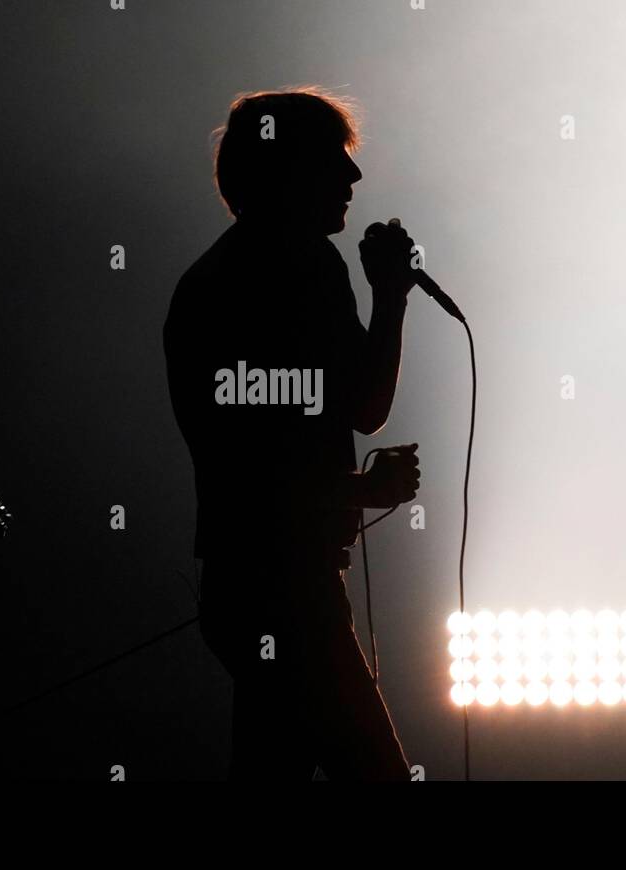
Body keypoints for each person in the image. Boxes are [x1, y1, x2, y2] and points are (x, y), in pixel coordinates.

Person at [164, 88, 421, 780]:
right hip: (286, 589)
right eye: (334, 162)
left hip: (249, 586)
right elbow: (356, 412)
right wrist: (391, 296)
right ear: (291, 171)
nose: (353, 179)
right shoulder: (300, 269)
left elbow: (249, 454)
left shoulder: (217, 279)